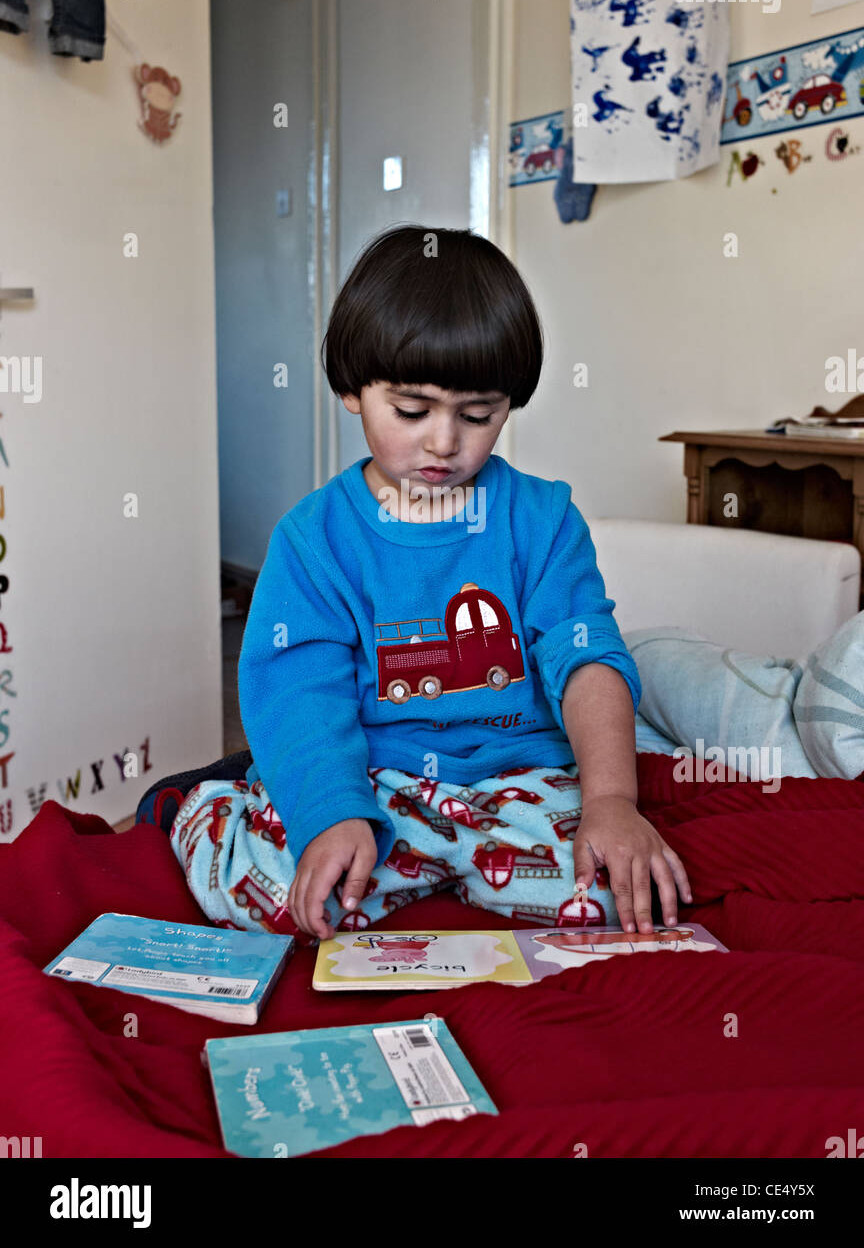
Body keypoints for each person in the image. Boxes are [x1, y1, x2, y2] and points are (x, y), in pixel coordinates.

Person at [147, 225, 692, 942]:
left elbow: (587, 658)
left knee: (610, 899)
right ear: (352, 390)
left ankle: (452, 875)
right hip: (375, 775)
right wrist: (334, 816)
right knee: (273, 894)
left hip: (517, 774)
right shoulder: (314, 540)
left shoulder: (544, 518)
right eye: (412, 411)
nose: (443, 442)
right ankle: (213, 801)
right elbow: (300, 691)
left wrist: (613, 802)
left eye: (478, 415)